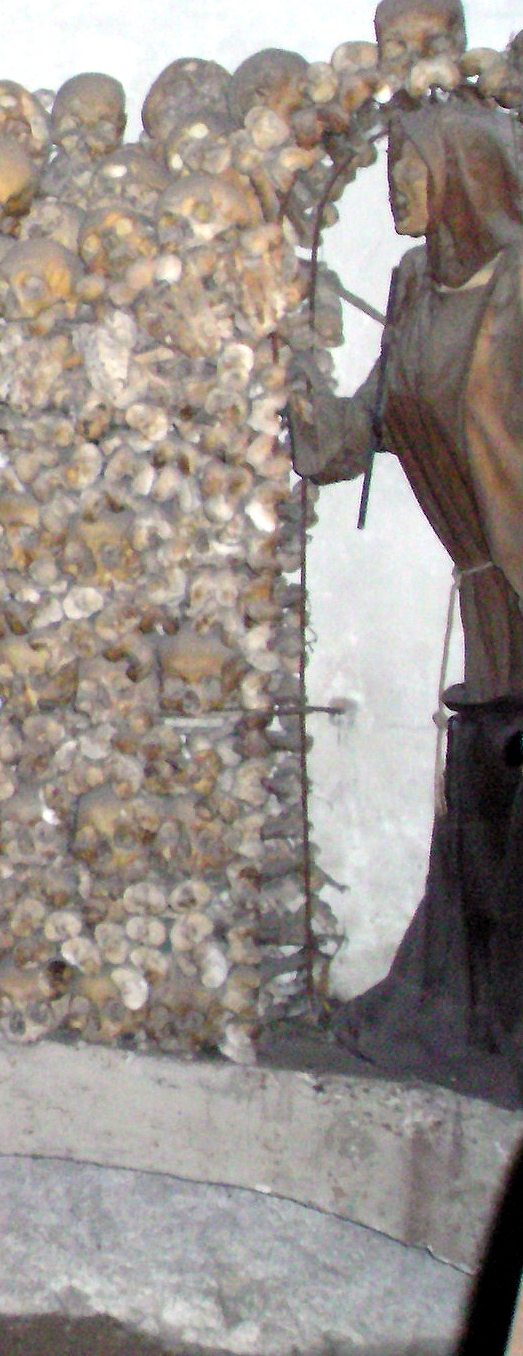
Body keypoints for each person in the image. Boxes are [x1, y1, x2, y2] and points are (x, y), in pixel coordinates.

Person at [291, 101, 523, 1103]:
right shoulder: (410, 286)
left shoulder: (516, 283)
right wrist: (312, 408)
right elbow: (375, 416)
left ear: (463, 175)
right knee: (485, 796)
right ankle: (471, 1007)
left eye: (410, 168)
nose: (394, 188)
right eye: (386, 168)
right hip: (487, 586)